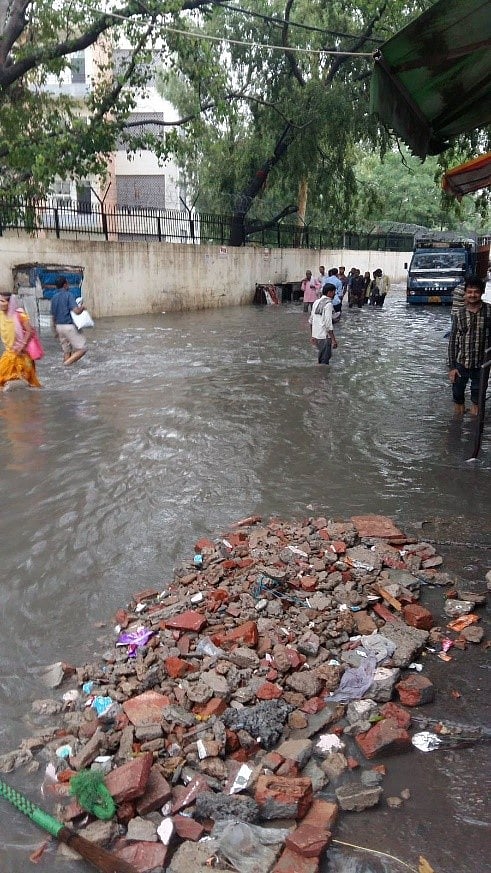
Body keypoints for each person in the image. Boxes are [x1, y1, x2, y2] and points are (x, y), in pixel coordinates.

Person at [448, 277, 491, 415]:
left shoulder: (489, 312)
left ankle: (474, 430)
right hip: (461, 363)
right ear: (465, 293)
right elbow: (453, 341)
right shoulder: (459, 314)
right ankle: (457, 428)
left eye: (476, 292)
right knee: (458, 398)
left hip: (481, 365)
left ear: (482, 292)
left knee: (477, 400)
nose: (472, 295)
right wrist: (452, 367)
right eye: (469, 292)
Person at [0, 290, 42, 389]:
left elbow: (30, 331)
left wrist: (22, 345)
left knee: (28, 384)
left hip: (22, 356)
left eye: (2, 301)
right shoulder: (1, 315)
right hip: (9, 353)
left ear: (9, 303)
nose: (0, 303)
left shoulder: (20, 315)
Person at [51, 276, 87, 366]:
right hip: (68, 326)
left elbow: (53, 317)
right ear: (65, 284)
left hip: (59, 327)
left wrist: (55, 331)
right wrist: (82, 308)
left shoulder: (54, 298)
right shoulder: (68, 295)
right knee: (82, 349)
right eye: (67, 284)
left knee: (67, 351)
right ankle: (66, 364)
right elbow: (77, 311)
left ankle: (65, 372)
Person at [308, 283, 338, 364]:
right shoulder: (328, 304)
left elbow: (311, 320)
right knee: (324, 362)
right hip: (324, 336)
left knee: (321, 359)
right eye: (334, 292)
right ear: (329, 292)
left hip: (317, 336)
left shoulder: (316, 302)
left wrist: (313, 335)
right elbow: (328, 324)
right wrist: (333, 340)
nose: (335, 294)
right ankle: (322, 376)